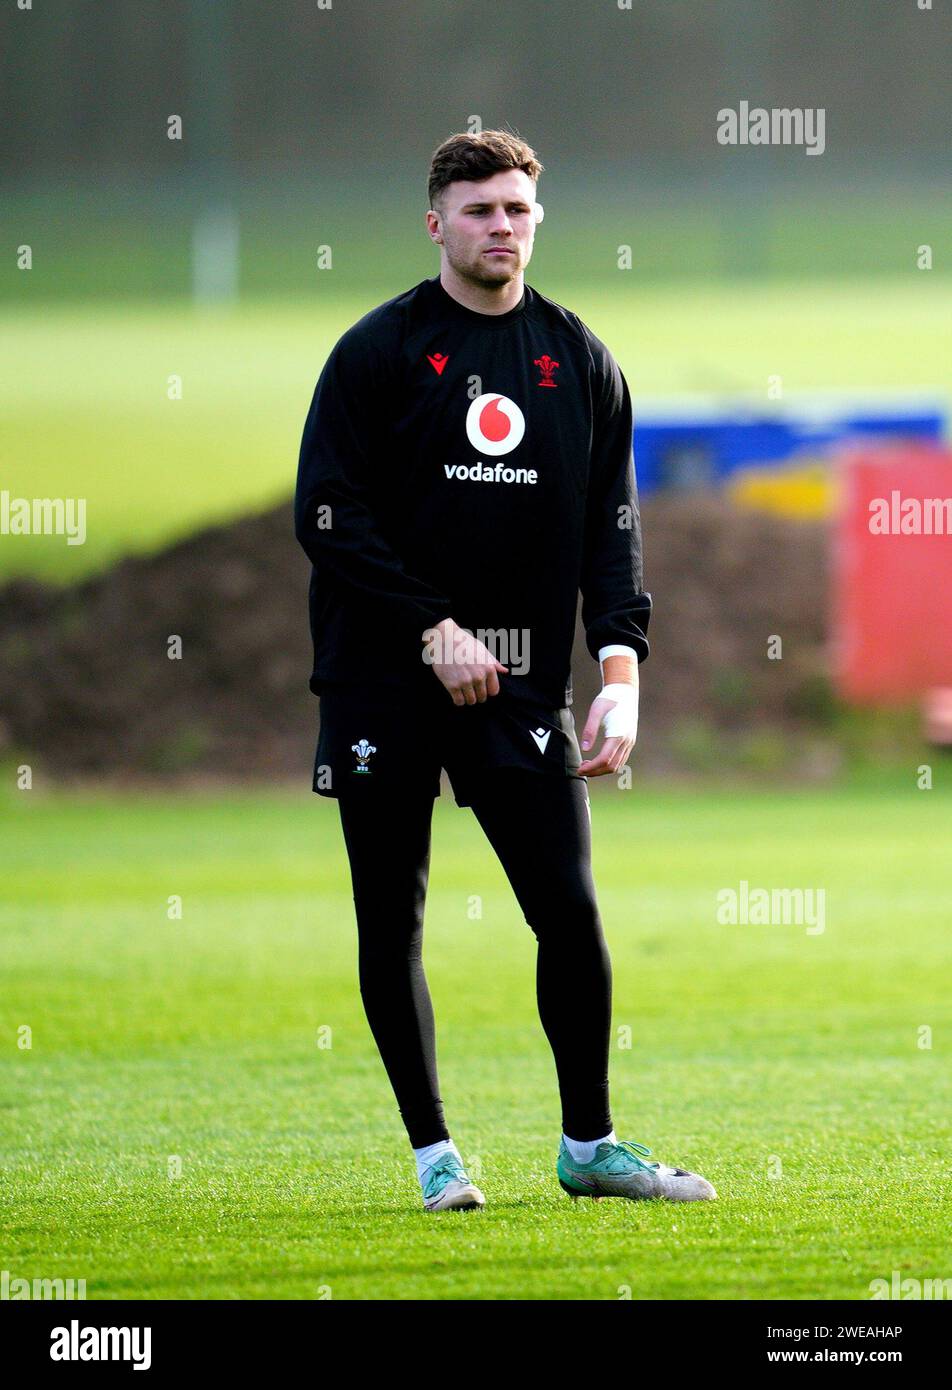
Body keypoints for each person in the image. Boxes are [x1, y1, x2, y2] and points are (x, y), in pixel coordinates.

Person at [294, 129, 716, 1212]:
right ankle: (436, 1157)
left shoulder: (577, 358)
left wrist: (618, 668)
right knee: (392, 918)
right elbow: (327, 515)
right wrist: (431, 627)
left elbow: (609, 529)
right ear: (435, 222)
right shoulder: (378, 350)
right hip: (382, 678)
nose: (500, 227)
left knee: (568, 912)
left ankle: (590, 1145)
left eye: (517, 209)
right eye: (478, 209)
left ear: (539, 219)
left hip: (521, 685)